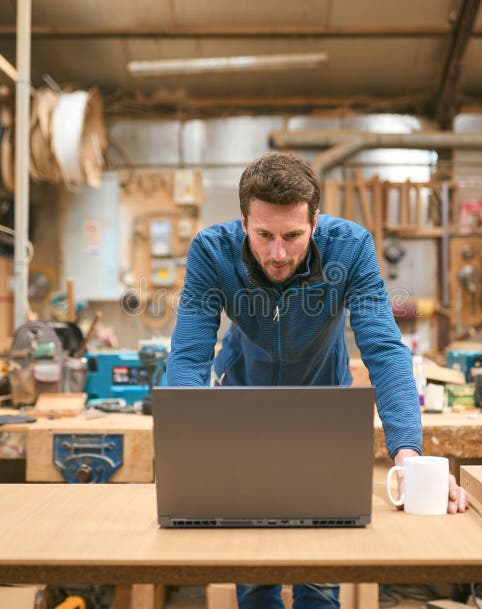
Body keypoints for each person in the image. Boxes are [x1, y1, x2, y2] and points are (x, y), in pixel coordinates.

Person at [166, 152, 466, 609]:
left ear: (315, 222)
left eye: (293, 236)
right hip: (242, 412)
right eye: (264, 235)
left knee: (320, 577)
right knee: (256, 574)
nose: (278, 254)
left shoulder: (351, 248)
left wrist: (408, 454)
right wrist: (194, 450)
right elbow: (189, 356)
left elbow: (384, 349)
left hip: (326, 413)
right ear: (244, 222)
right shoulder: (212, 251)